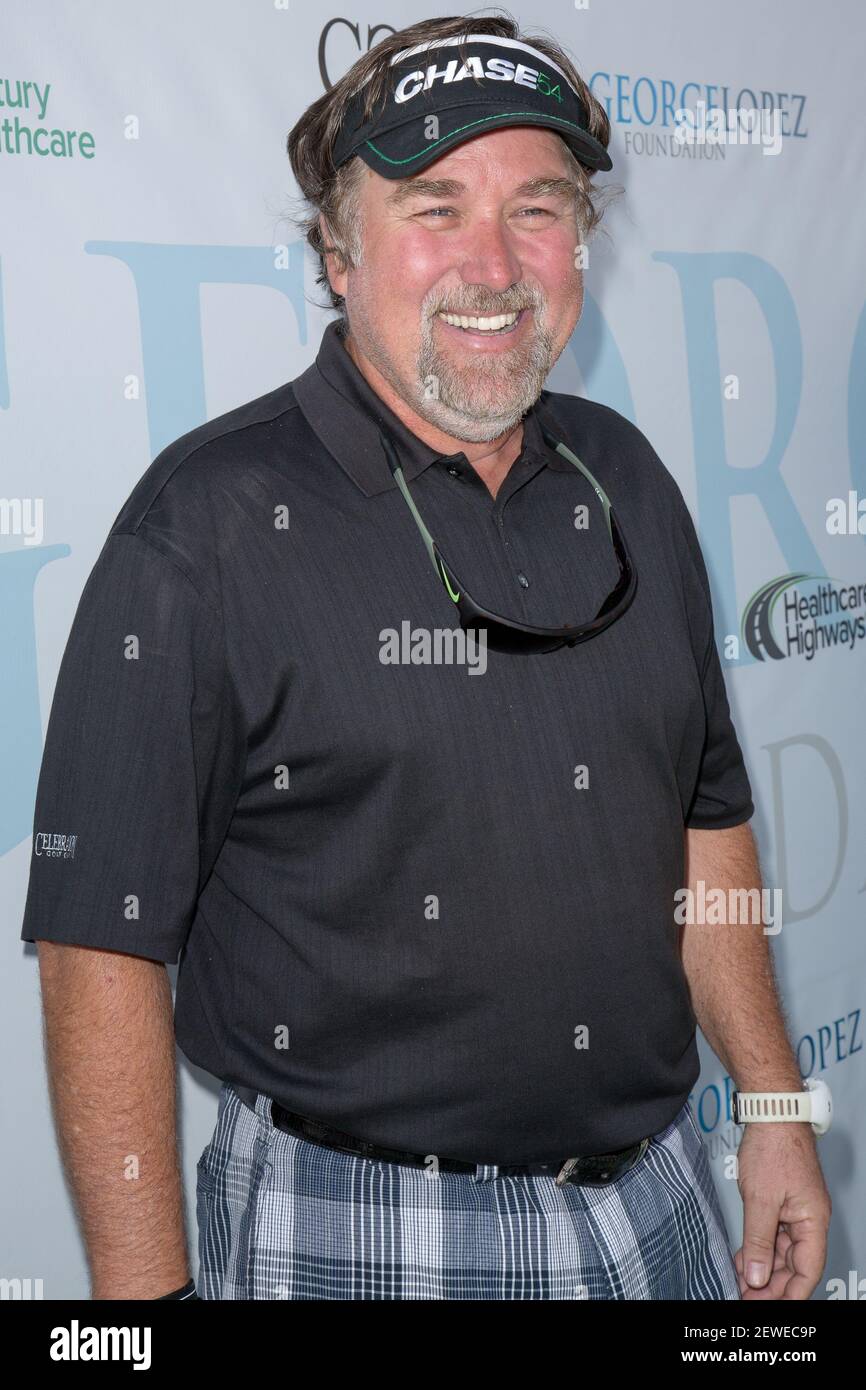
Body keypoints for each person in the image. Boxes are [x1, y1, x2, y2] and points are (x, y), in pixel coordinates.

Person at [21, 13, 830, 1301]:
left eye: (539, 207)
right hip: (352, 1239)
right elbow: (101, 948)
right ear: (339, 253)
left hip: (662, 1212)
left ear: (584, 244)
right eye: (434, 206)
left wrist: (775, 1103)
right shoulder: (205, 528)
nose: (494, 264)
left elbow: (706, 816)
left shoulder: (627, 477)